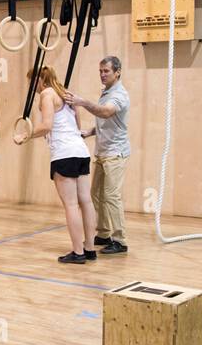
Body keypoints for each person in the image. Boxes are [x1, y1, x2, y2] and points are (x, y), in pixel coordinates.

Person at [14, 66, 97, 264]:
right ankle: (90, 249)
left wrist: (24, 136)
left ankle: (78, 253)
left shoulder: (47, 94)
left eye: (31, 82)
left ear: (38, 80)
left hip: (64, 154)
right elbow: (76, 126)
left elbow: (46, 126)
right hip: (80, 151)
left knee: (70, 205)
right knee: (85, 201)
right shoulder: (65, 93)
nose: (31, 87)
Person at [65, 56, 130, 255]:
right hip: (102, 153)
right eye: (100, 71)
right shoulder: (107, 92)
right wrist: (89, 132)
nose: (102, 75)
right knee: (96, 196)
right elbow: (106, 123)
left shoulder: (118, 95)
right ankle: (103, 234)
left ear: (117, 72)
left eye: (106, 71)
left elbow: (105, 113)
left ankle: (120, 240)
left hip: (115, 154)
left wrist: (83, 102)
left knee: (111, 196)